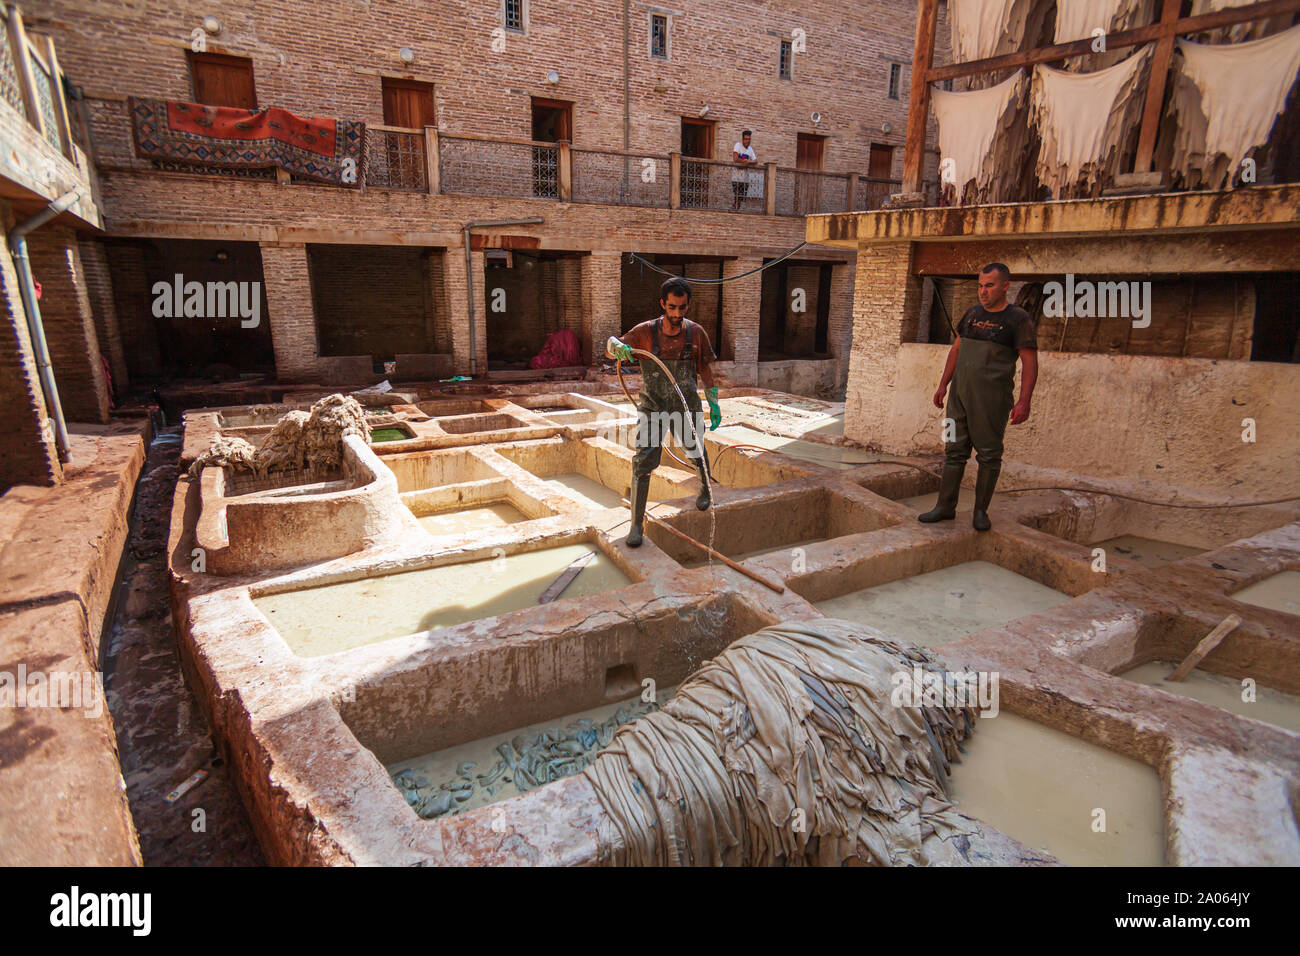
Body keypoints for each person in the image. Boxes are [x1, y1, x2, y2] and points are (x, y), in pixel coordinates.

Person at [920, 263, 1038, 531]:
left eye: (989, 285)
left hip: (991, 402)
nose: (983, 291)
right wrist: (943, 385)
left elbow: (1030, 362)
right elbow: (956, 351)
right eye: (980, 285)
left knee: (989, 455)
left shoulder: (1018, 320)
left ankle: (980, 512)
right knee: (953, 451)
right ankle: (944, 507)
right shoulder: (972, 314)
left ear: (1005, 286)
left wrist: (1024, 401)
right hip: (958, 399)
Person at [606, 276, 722, 547]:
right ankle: (636, 524)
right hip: (653, 406)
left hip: (686, 405)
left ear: (687, 306)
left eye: (682, 308)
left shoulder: (696, 333)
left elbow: (705, 367)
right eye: (672, 307)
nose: (677, 314)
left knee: (694, 449)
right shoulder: (645, 332)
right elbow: (612, 347)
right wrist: (616, 348)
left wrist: (713, 401)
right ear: (663, 304)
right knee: (644, 461)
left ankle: (705, 487)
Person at [731, 130, 756, 210]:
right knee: (737, 194)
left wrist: (748, 161)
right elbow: (735, 158)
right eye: (746, 139)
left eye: (749, 139)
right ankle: (735, 207)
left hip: (745, 177)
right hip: (736, 175)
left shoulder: (750, 149)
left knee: (742, 195)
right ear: (742, 139)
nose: (747, 141)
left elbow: (755, 161)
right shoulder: (738, 145)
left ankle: (735, 207)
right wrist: (743, 161)